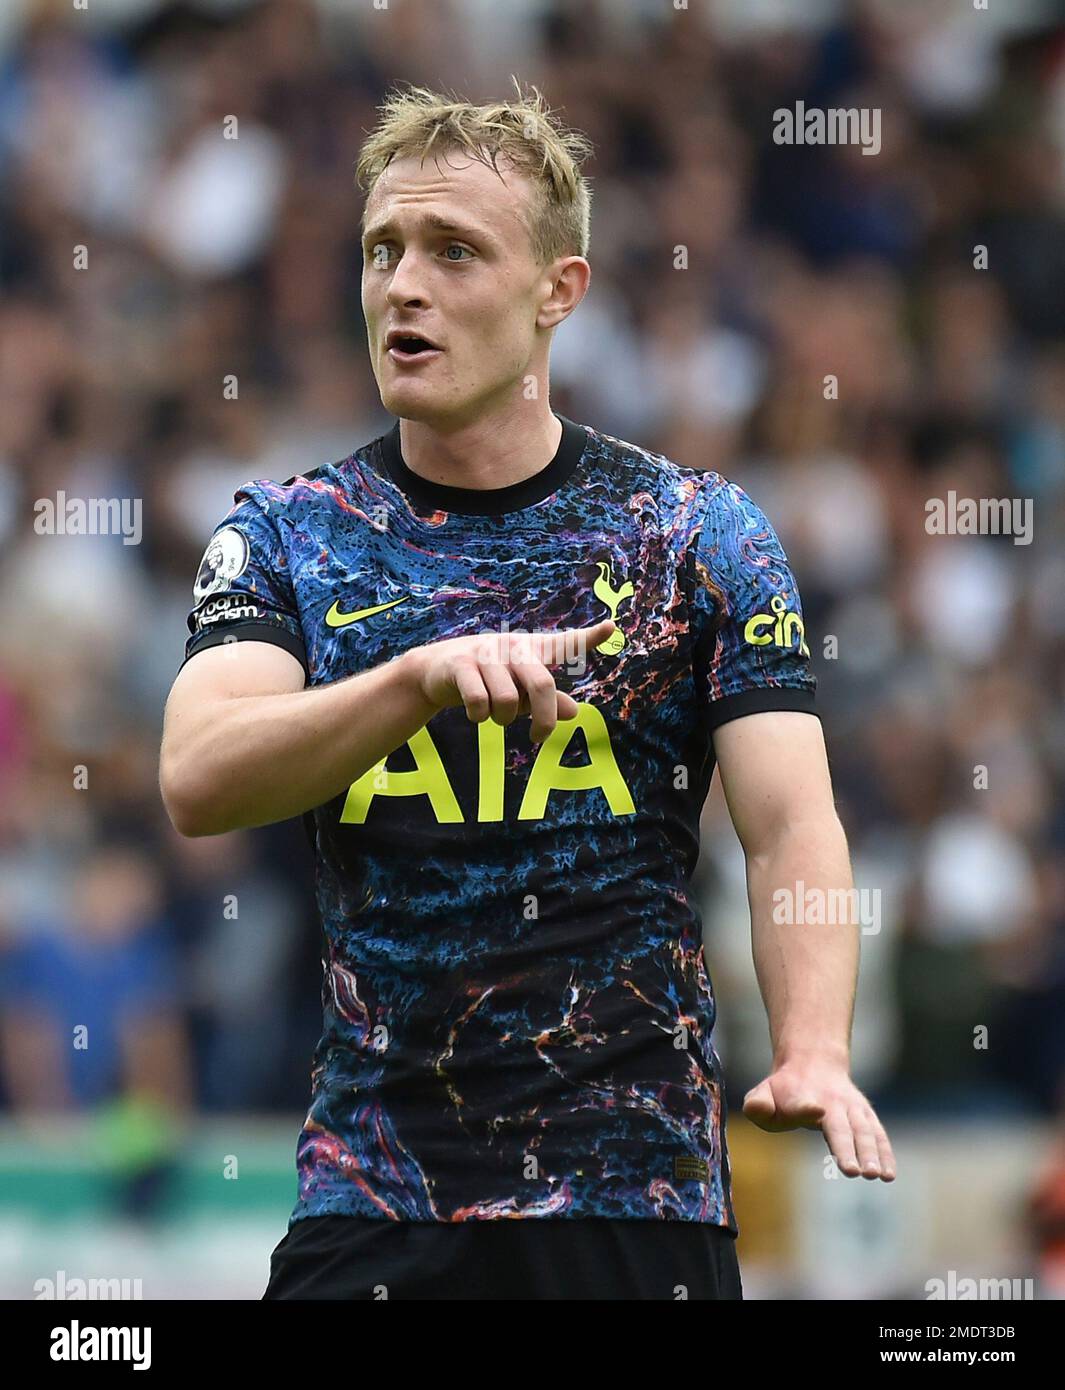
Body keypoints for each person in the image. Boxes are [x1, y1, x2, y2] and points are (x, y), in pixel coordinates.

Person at [159, 81, 895, 1301]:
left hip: (634, 1191)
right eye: (382, 250)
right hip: (378, 1191)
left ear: (560, 290)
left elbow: (791, 824)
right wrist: (411, 682)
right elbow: (199, 776)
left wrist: (815, 1046)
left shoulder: (695, 533)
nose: (404, 284)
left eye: (454, 252)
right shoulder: (287, 536)